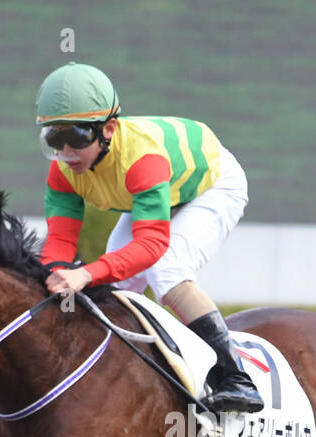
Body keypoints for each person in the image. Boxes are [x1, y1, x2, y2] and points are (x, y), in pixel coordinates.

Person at [34, 62, 263, 414]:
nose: (66, 152)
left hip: (212, 185)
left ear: (108, 129)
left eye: (76, 138)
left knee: (167, 269)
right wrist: (52, 275)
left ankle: (237, 379)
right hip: (159, 191)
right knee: (119, 284)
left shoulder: (141, 158)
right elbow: (60, 244)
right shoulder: (62, 171)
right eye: (54, 138)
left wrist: (84, 274)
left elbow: (152, 246)